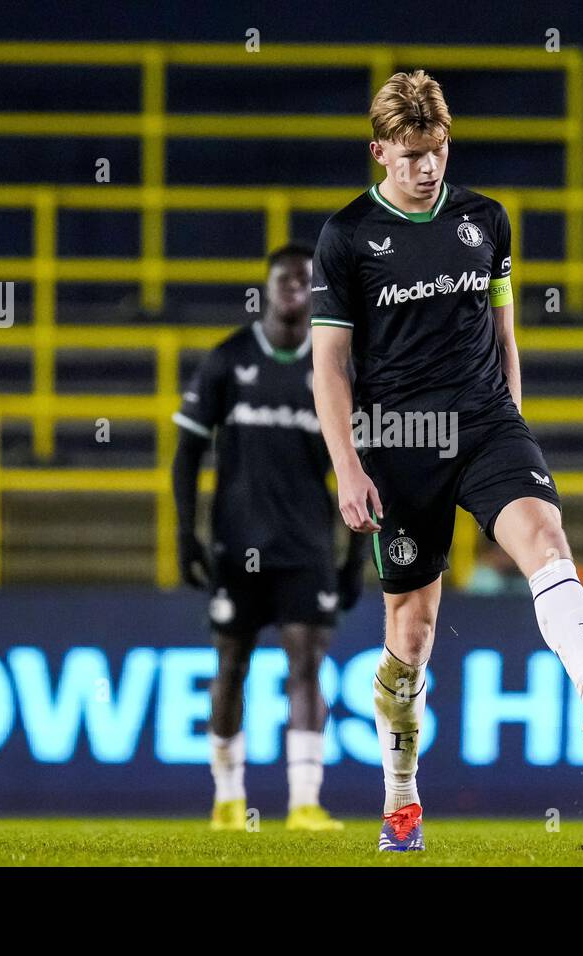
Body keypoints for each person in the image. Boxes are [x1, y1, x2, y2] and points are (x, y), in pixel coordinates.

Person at [309, 70, 583, 852]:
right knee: (412, 630)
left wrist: (511, 426)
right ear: (380, 152)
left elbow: (505, 335)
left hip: (483, 422)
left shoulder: (486, 221)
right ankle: (400, 796)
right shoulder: (344, 239)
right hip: (400, 445)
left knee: (545, 537)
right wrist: (348, 466)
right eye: (409, 154)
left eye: (436, 150)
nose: (426, 167)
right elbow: (329, 366)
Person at [173, 243, 366, 832]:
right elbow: (187, 453)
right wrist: (185, 534)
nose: (293, 289)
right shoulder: (229, 360)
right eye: (284, 279)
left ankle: (304, 801)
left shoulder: (334, 370)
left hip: (307, 546)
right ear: (267, 286)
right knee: (231, 663)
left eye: (305, 280)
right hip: (237, 544)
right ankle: (228, 797)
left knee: (307, 662)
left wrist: (356, 555)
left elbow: (360, 465)